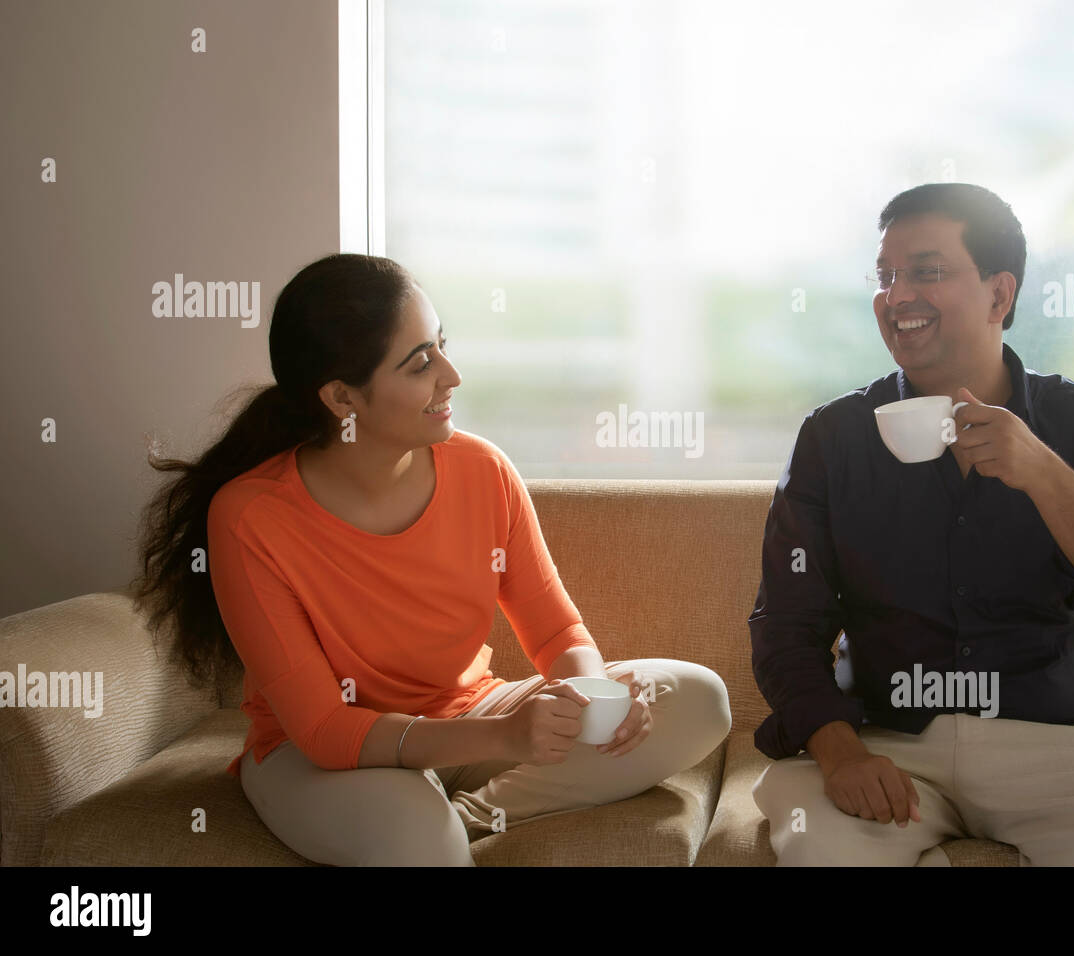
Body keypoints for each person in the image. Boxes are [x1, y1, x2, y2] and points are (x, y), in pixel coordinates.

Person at [130, 253, 731, 866]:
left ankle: (471, 818)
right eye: (421, 363)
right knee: (414, 830)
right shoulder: (250, 516)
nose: (452, 375)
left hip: (469, 714)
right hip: (324, 753)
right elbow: (322, 729)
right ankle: (435, 826)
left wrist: (595, 693)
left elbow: (555, 630)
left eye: (441, 346)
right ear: (343, 397)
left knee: (696, 698)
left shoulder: (483, 470)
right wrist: (504, 734)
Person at [748, 183, 1074, 866]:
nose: (897, 296)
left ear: (1000, 295)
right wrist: (839, 753)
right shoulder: (833, 437)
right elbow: (784, 623)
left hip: (1053, 742)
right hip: (883, 739)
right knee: (826, 853)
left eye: (926, 271)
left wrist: (1046, 476)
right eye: (886, 276)